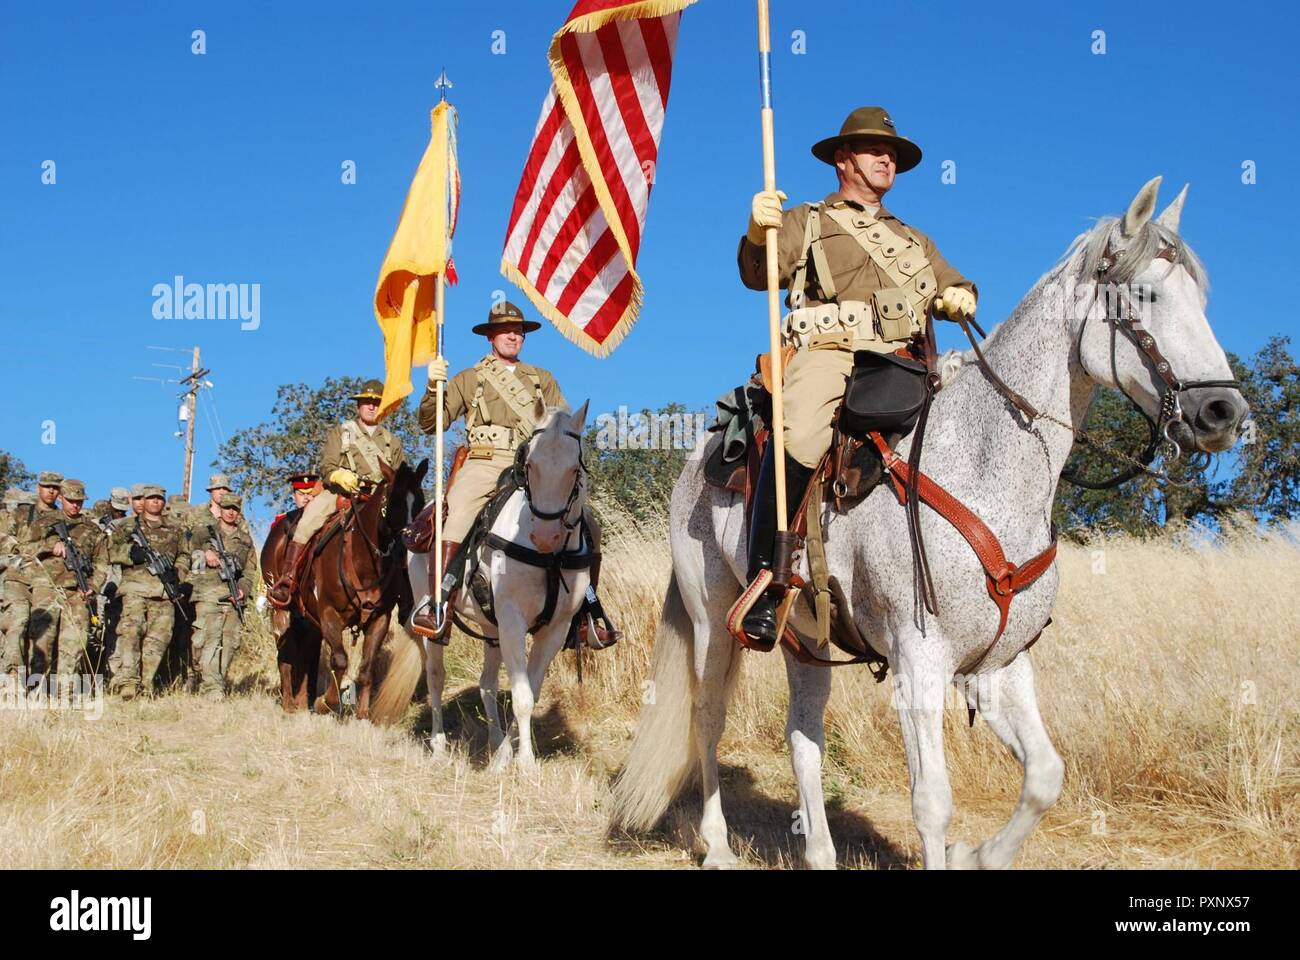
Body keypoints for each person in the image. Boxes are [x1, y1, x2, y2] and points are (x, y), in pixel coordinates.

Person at [736, 106, 978, 647]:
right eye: (874, 150)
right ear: (844, 160)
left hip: (902, 359)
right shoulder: (809, 220)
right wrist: (758, 231)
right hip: (831, 350)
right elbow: (759, 274)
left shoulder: (913, 240)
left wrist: (960, 293)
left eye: (891, 153)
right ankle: (768, 579)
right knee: (799, 433)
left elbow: (951, 282)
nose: (887, 158)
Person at [418, 301, 619, 647]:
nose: (513, 335)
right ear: (491, 336)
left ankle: (585, 614)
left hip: (534, 465)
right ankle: (441, 605)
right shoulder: (470, 378)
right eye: (505, 330)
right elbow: (430, 423)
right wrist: (434, 388)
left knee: (589, 527)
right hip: (486, 460)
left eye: (519, 331)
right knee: (459, 511)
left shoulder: (542, 379)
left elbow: (563, 429)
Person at [267, 380, 406, 607]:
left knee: (406, 531)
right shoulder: (342, 433)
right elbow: (327, 466)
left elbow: (401, 476)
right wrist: (339, 476)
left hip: (379, 497)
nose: (371, 406)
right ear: (358, 405)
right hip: (342, 493)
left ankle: (407, 595)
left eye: (376, 403)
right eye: (366, 402)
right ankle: (287, 579)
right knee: (307, 521)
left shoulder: (392, 442)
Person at [107, 484, 189, 699]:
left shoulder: (175, 528)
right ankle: (129, 681)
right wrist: (129, 554)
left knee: (158, 640)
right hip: (134, 588)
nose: (155, 502)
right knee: (131, 633)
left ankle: (146, 684)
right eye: (151, 498)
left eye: (159, 499)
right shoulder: (126, 526)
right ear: (142, 501)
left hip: (163, 592)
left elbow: (184, 555)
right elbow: (109, 551)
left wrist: (177, 574)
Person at [27, 479, 108, 694]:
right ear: (61, 498)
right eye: (71, 500)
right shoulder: (44, 523)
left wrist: (93, 586)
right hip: (47, 587)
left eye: (79, 501)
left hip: (77, 592)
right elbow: (24, 549)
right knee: (42, 641)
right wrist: (48, 546)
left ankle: (64, 693)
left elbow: (102, 563)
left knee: (74, 643)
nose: (75, 505)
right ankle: (36, 691)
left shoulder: (93, 529)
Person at [188, 491, 253, 699]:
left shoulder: (245, 540)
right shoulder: (204, 532)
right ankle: (211, 686)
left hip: (233, 596)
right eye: (227, 508)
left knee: (230, 642)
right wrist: (204, 553)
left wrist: (243, 589)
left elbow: (250, 571)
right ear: (220, 510)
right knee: (207, 640)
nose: (231, 513)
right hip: (208, 593)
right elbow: (188, 550)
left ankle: (215, 683)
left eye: (235, 509)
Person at [0, 471, 62, 675]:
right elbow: (7, 543)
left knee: (40, 631)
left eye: (55, 488)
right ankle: (12, 676)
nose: (51, 491)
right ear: (38, 488)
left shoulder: (62, 519)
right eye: (47, 487)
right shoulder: (21, 514)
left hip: (46, 582)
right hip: (17, 578)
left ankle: (37, 681)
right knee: (17, 622)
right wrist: (41, 547)